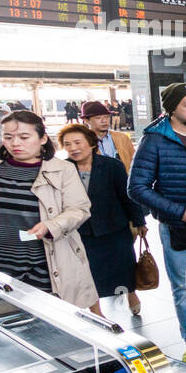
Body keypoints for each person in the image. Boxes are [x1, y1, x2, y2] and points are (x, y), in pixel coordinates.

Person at [0, 110, 99, 311]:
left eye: (24, 137)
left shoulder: (61, 169)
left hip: (40, 267)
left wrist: (51, 225)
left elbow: (79, 209)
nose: (15, 143)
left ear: (42, 138)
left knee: (44, 326)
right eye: (8, 137)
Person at [128, 82, 186, 363]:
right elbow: (137, 187)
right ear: (172, 108)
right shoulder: (155, 139)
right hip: (177, 225)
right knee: (183, 287)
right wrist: (180, 211)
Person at [60, 124, 147, 316]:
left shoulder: (111, 166)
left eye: (77, 142)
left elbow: (127, 197)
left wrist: (139, 221)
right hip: (82, 231)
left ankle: (131, 294)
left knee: (123, 266)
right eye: (67, 144)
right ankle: (96, 310)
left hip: (114, 227)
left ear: (91, 143)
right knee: (88, 273)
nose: (73, 148)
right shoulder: (63, 170)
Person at [80, 99, 135, 170]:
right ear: (86, 120)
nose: (104, 121)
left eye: (107, 117)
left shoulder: (122, 138)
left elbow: (134, 161)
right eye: (98, 118)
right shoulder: (82, 142)